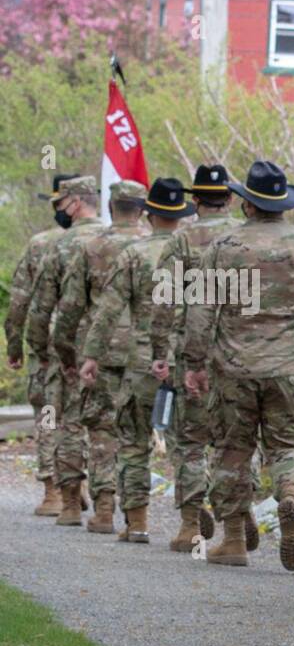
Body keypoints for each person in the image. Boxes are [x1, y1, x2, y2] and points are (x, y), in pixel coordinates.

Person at [183, 160, 294, 570]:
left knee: (233, 451)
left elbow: (200, 311)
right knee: (290, 446)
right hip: (292, 369)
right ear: (284, 204)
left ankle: (233, 539)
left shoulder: (224, 248)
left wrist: (193, 363)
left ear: (246, 203)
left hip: (234, 368)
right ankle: (290, 494)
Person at [80, 178, 194, 544]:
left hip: (142, 362)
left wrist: (92, 356)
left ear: (149, 214)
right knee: (186, 443)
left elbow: (108, 311)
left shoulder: (134, 255)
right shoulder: (198, 256)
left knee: (132, 442)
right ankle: (191, 524)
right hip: (184, 360)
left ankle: (138, 522)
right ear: (181, 216)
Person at [150, 164, 241, 551]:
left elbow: (165, 300)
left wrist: (160, 353)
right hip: (242, 353)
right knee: (236, 439)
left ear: (195, 200)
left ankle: (190, 526)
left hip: (193, 352)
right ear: (232, 199)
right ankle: (238, 516)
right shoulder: (246, 236)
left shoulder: (182, 240)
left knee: (189, 442)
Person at [49, 180, 148, 534]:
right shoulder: (156, 247)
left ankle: (104, 509)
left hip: (100, 353)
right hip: (147, 352)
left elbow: (70, 308)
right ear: (143, 208)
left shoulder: (92, 248)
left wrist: (66, 354)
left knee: (102, 431)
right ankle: (140, 517)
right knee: (138, 433)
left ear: (111, 208)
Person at [27, 175, 102, 525]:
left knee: (63, 421)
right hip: (115, 350)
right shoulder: (116, 241)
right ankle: (114, 508)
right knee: (109, 427)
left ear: (73, 203)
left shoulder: (53, 245)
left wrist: (38, 348)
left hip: (68, 348)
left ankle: (65, 498)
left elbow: (35, 304)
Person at [5, 172, 77, 516]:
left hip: (46, 343)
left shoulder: (40, 244)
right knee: (80, 414)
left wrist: (14, 345)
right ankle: (79, 485)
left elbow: (19, 300)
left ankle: (53, 491)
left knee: (49, 413)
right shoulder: (100, 240)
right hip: (86, 344)